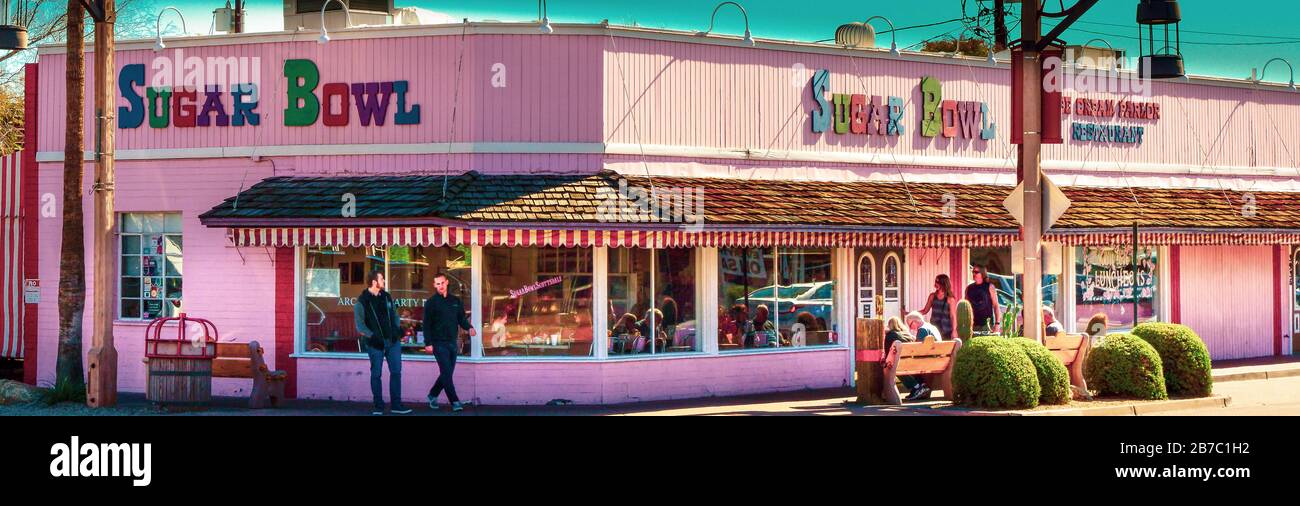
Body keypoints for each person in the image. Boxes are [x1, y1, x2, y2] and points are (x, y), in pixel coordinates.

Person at [354, 271, 411, 415]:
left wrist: (397, 331)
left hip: (392, 341)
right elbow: (360, 326)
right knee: (376, 374)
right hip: (375, 343)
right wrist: (372, 337)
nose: (384, 280)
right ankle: (378, 406)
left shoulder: (386, 297)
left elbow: (395, 316)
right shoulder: (362, 301)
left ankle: (396, 405)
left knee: (396, 372)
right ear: (374, 282)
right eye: (381, 279)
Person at [423, 273, 476, 412]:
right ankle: (455, 401)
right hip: (438, 343)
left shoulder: (455, 301)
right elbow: (426, 324)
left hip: (453, 342)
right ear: (435, 285)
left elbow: (461, 319)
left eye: (442, 283)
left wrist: (469, 328)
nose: (440, 286)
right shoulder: (431, 303)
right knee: (446, 372)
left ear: (447, 282)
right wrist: (428, 343)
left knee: (447, 373)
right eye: (437, 284)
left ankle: (433, 394)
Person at [883, 317, 930, 401]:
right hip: (913, 362)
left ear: (890, 326)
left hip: (901, 364)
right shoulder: (907, 334)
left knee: (893, 367)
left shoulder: (890, 335)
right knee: (903, 365)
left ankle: (916, 387)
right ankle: (921, 385)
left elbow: (888, 353)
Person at [920, 274, 959, 340]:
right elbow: (925, 311)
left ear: (944, 284)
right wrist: (911, 314)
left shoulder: (950, 299)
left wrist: (954, 330)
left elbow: (953, 316)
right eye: (935, 281)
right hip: (934, 330)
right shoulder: (932, 296)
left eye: (938, 282)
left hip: (946, 331)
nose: (935, 284)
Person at [965, 265, 1001, 332]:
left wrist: (997, 323)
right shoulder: (969, 288)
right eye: (973, 272)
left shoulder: (989, 287)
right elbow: (965, 307)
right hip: (972, 325)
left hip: (987, 325)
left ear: (982, 273)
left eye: (976, 272)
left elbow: (996, 305)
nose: (973, 274)